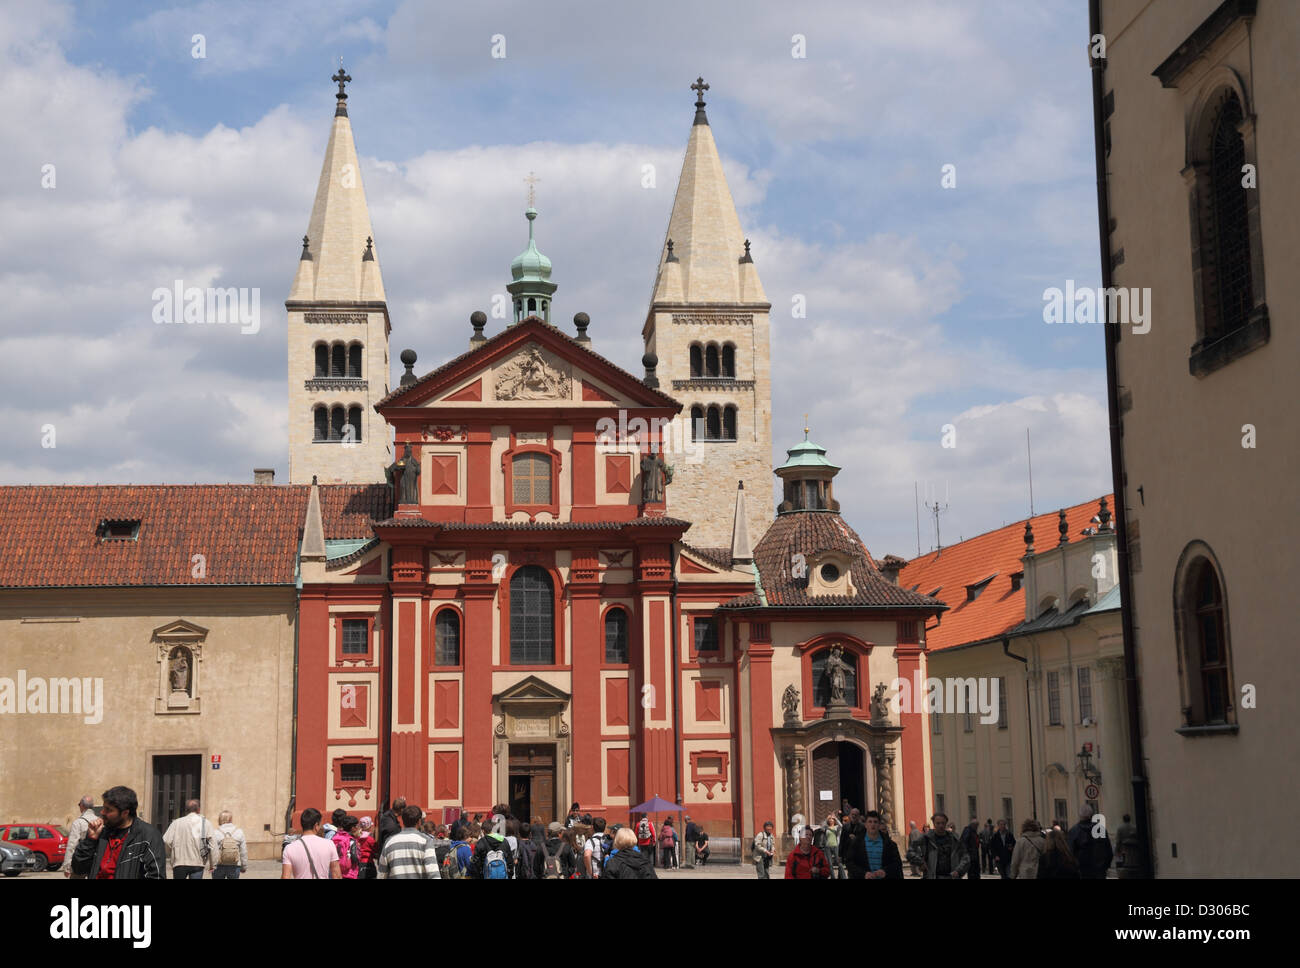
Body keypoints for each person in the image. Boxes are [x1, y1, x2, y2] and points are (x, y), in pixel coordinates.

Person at [71, 785, 166, 880]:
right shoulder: (102, 834)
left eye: (109, 810)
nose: (102, 812)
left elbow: (156, 875)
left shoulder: (148, 836)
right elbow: (78, 868)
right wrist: (90, 840)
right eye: (104, 808)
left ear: (125, 813)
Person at [376, 804, 440, 879]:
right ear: (419, 821)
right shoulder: (426, 841)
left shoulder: (389, 842)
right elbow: (433, 873)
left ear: (403, 821)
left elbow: (381, 875)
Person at [282, 808, 342, 879]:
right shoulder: (329, 844)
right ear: (316, 826)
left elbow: (285, 877)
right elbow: (336, 875)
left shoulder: (290, 848)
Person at [906, 812, 968, 879]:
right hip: (932, 876)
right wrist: (920, 862)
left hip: (951, 876)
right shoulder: (926, 838)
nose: (940, 826)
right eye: (938, 823)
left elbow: (965, 857)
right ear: (934, 824)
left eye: (943, 823)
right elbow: (910, 851)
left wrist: (958, 871)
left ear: (946, 823)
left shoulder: (955, 839)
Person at [163, 798, 211, 879]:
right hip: (197, 863)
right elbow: (212, 844)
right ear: (199, 810)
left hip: (180, 862)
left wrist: (173, 855)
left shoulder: (176, 823)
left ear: (186, 810)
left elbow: (166, 840)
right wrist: (213, 864)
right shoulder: (205, 823)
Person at [1067, 805, 1114, 879]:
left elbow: (1070, 854)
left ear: (1080, 816)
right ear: (1092, 815)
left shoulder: (1073, 831)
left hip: (1082, 872)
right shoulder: (1100, 830)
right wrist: (1105, 867)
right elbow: (1109, 851)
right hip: (1099, 871)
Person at [855, 810, 904, 879]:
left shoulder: (890, 844)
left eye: (875, 822)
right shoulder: (857, 843)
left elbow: (897, 863)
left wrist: (885, 871)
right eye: (870, 821)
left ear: (879, 824)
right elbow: (851, 863)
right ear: (865, 825)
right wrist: (864, 874)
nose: (873, 824)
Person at [470, 813, 515, 879]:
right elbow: (510, 862)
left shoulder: (481, 842)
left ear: (483, 831)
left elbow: (476, 864)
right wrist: (509, 875)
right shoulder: (504, 841)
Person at [207, 810, 248, 879]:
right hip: (235, 865)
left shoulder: (215, 832)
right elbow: (243, 851)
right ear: (231, 819)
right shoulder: (239, 832)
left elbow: (212, 850)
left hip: (219, 865)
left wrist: (212, 866)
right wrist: (244, 866)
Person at [64, 796, 98, 879]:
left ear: (82, 805)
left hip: (79, 862)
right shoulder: (99, 821)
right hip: (94, 863)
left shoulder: (78, 823)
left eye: (79, 804)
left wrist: (67, 867)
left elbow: (72, 846)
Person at [333, 815, 361, 879]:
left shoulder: (335, 837)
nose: (358, 827)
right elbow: (355, 858)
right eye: (357, 826)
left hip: (336, 872)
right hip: (349, 873)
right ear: (353, 828)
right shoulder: (351, 840)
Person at [821, 815, 843, 879]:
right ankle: (833, 877)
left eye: (832, 819)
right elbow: (821, 827)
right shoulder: (826, 828)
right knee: (830, 864)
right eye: (830, 819)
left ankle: (841, 876)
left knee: (839, 863)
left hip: (836, 846)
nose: (831, 820)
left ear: (834, 821)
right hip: (828, 847)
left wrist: (835, 817)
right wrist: (826, 818)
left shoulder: (836, 827)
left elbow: (841, 825)